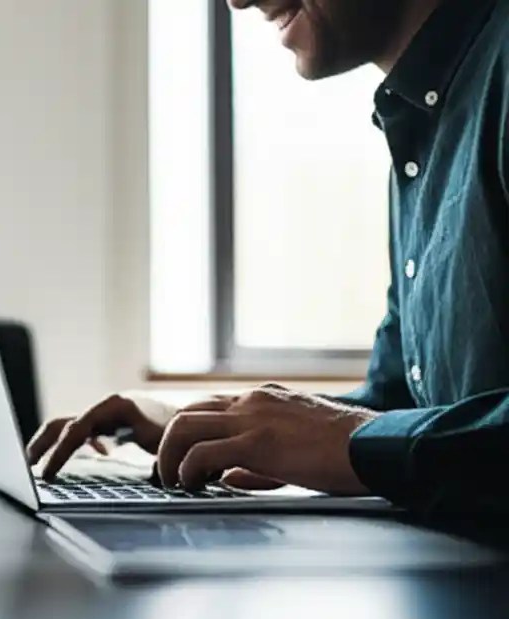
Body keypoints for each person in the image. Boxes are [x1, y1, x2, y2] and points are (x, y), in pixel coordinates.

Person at [30, 0, 509, 518]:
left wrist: (352, 440)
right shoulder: (423, 124)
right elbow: (406, 406)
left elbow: (374, 436)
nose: (236, 1)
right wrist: (218, 426)